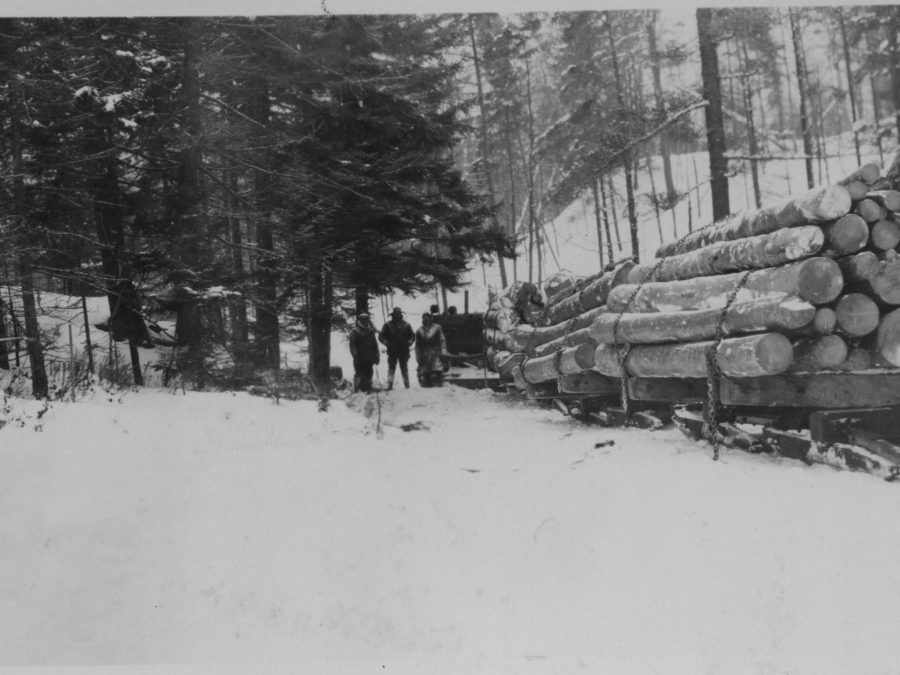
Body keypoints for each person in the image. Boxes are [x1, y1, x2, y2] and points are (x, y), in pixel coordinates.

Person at [378, 307, 415, 391]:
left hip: (403, 350)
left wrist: (409, 342)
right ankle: (390, 385)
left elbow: (412, 336)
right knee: (391, 369)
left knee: (404, 369)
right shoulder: (387, 325)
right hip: (392, 351)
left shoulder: (406, 325)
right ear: (393, 315)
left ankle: (407, 385)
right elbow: (381, 336)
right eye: (395, 314)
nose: (397, 315)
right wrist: (386, 342)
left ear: (401, 314)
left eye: (398, 314)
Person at [348, 313, 379, 393]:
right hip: (359, 358)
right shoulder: (355, 331)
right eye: (363, 320)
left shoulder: (370, 331)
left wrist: (377, 355)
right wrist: (355, 355)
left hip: (369, 357)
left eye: (367, 319)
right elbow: (352, 345)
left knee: (369, 373)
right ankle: (357, 389)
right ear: (360, 321)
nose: (365, 321)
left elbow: (375, 344)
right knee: (359, 373)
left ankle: (367, 389)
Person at [415, 311, 448, 388]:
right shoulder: (419, 331)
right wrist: (418, 356)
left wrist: (443, 351)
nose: (426, 320)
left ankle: (439, 384)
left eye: (427, 318)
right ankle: (427, 385)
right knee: (426, 370)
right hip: (424, 353)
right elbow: (417, 345)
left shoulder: (437, 328)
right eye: (424, 319)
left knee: (437, 368)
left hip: (436, 352)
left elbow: (442, 340)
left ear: (431, 319)